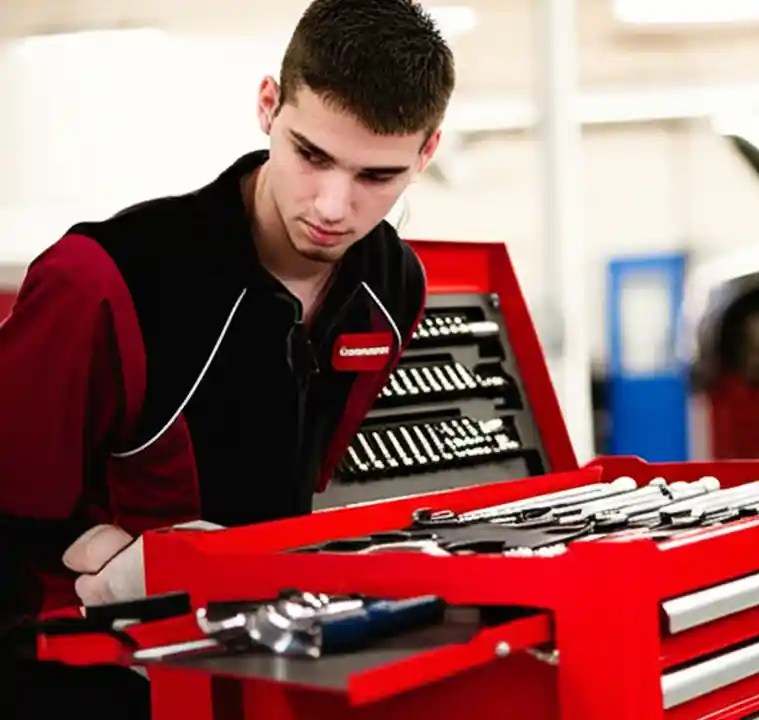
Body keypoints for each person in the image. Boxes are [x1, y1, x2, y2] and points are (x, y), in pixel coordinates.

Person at [0, 1, 455, 716]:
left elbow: (306, 481)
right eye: (311, 155)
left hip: (266, 661)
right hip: (85, 672)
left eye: (377, 176)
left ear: (426, 152)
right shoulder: (104, 280)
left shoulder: (394, 289)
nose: (333, 207)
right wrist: (111, 556)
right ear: (269, 106)